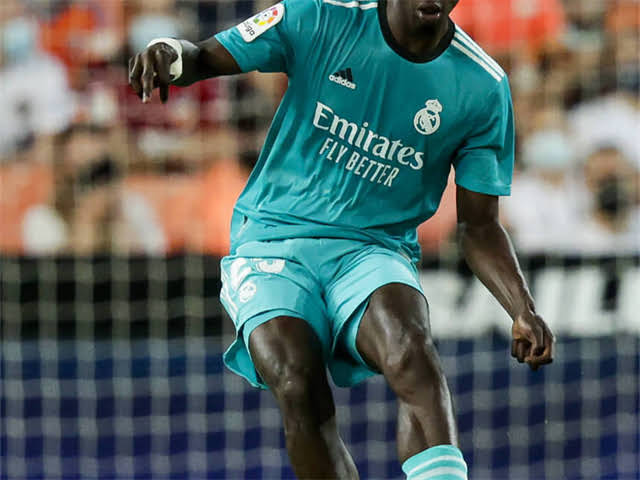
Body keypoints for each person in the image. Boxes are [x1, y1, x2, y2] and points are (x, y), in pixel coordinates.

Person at [129, 1, 555, 478]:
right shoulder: (319, 17)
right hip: (274, 239)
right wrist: (168, 52)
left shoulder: (482, 86)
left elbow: (480, 226)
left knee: (411, 352)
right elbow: (203, 56)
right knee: (296, 380)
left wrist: (521, 308)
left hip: (373, 249)